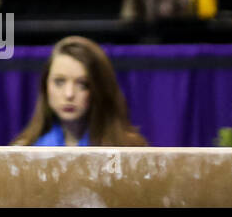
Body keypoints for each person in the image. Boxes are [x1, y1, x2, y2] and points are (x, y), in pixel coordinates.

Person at [12, 36, 146, 147]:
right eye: (59, 82)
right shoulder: (24, 150)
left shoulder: (130, 150)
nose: (69, 94)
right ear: (45, 86)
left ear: (100, 88)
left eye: (82, 84)